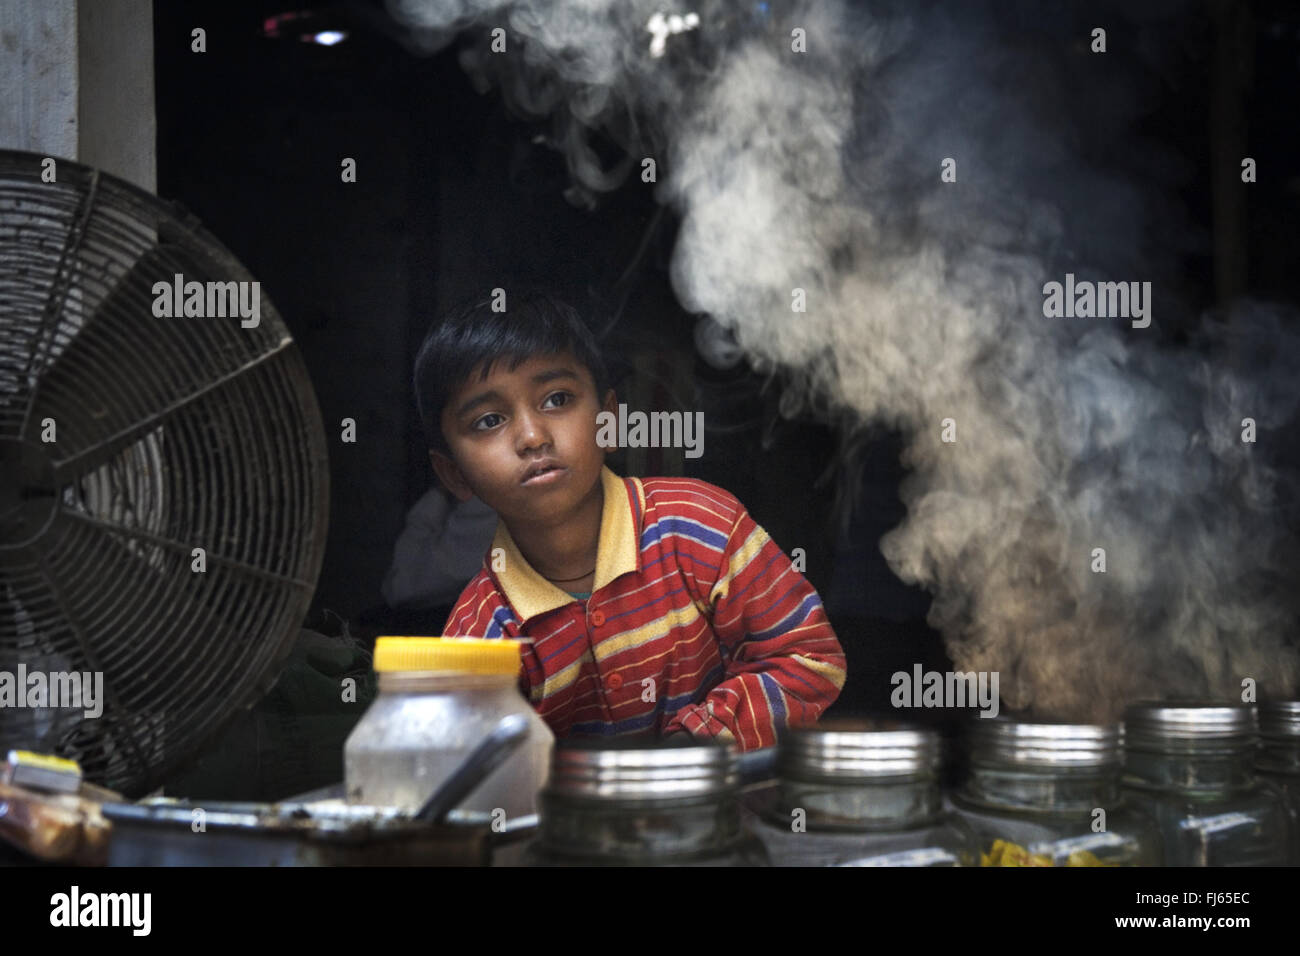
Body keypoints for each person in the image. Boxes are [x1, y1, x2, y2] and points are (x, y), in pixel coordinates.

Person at [414, 291, 846, 750]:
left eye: (557, 399)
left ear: (609, 423)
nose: (532, 436)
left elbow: (809, 657)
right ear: (453, 474)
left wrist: (692, 748)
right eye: (488, 421)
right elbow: (476, 776)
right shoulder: (481, 636)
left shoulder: (702, 527)